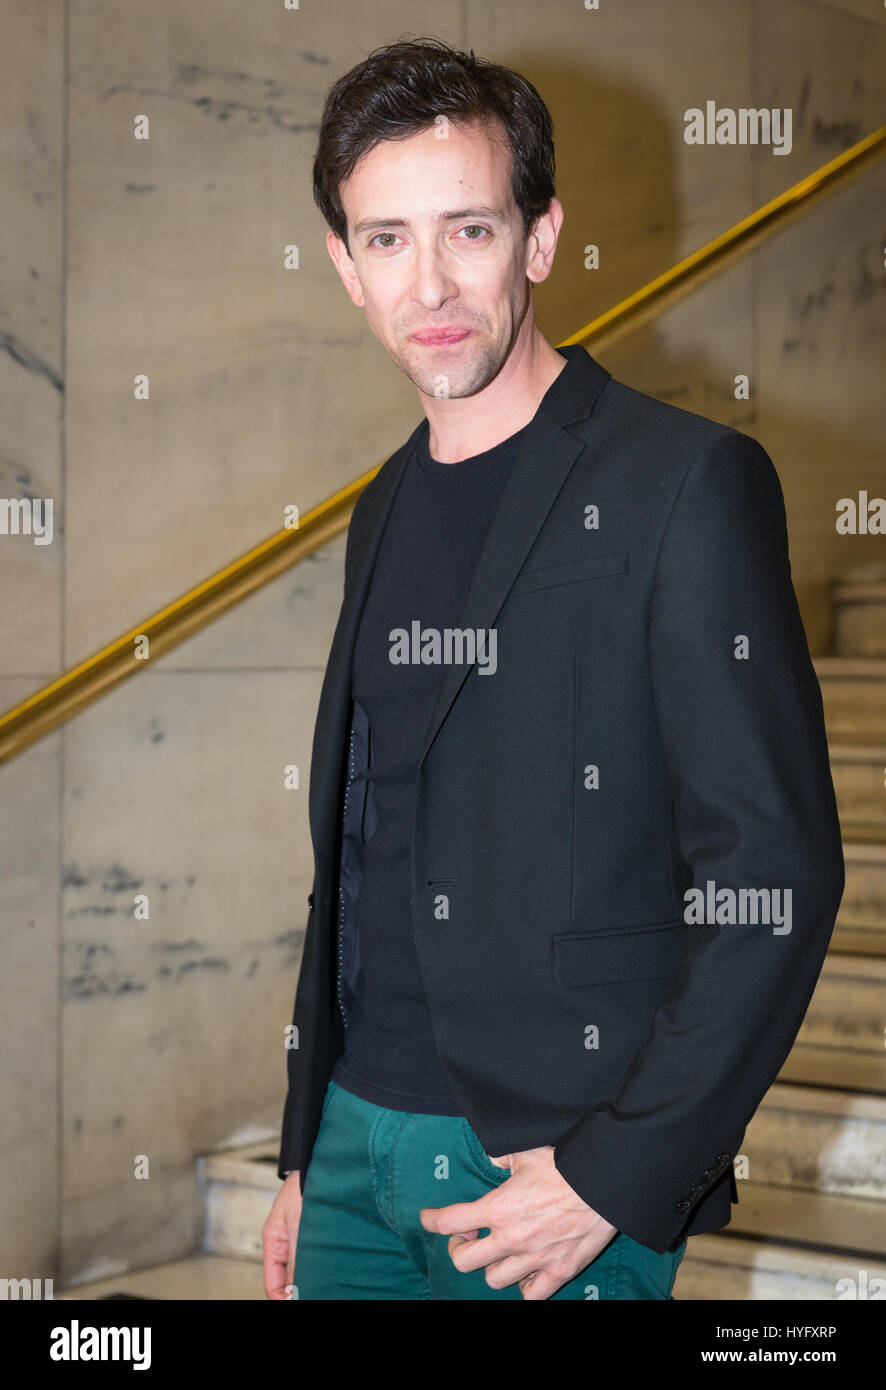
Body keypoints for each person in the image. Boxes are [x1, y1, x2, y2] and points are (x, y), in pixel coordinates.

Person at [261, 37, 844, 1301]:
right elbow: (360, 846)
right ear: (345, 268)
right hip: (354, 1148)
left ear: (538, 239)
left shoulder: (683, 483)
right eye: (386, 240)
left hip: (550, 1175)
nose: (429, 283)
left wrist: (616, 1174)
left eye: (468, 230)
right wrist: (307, 1147)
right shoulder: (380, 506)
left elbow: (774, 874)